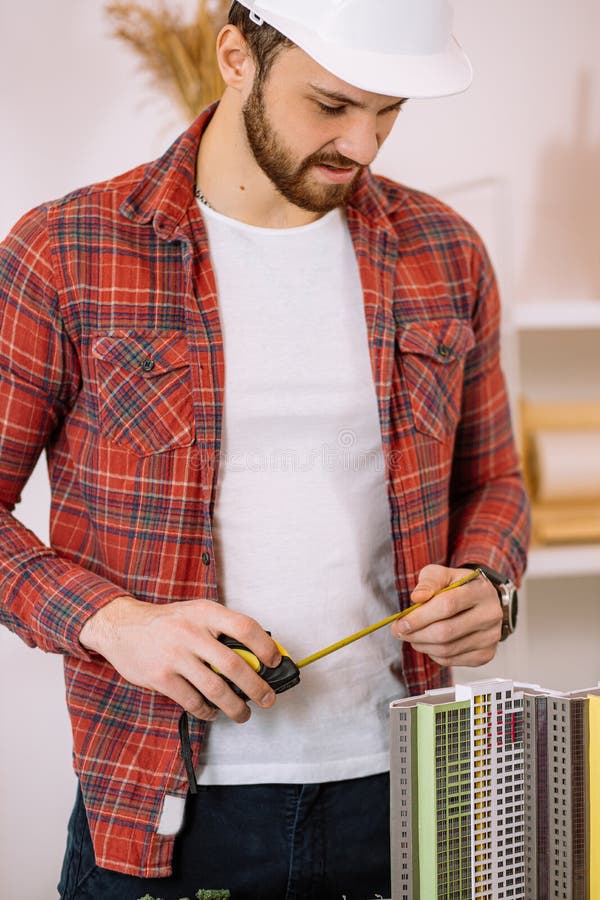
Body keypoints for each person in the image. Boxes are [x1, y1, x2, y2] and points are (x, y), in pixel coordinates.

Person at [0, 1, 530, 897]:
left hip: (408, 790)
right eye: (331, 104)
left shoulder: (445, 250)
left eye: (388, 112)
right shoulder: (67, 250)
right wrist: (116, 625)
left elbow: (496, 479)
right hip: (163, 809)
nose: (362, 144)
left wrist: (489, 582)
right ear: (236, 56)